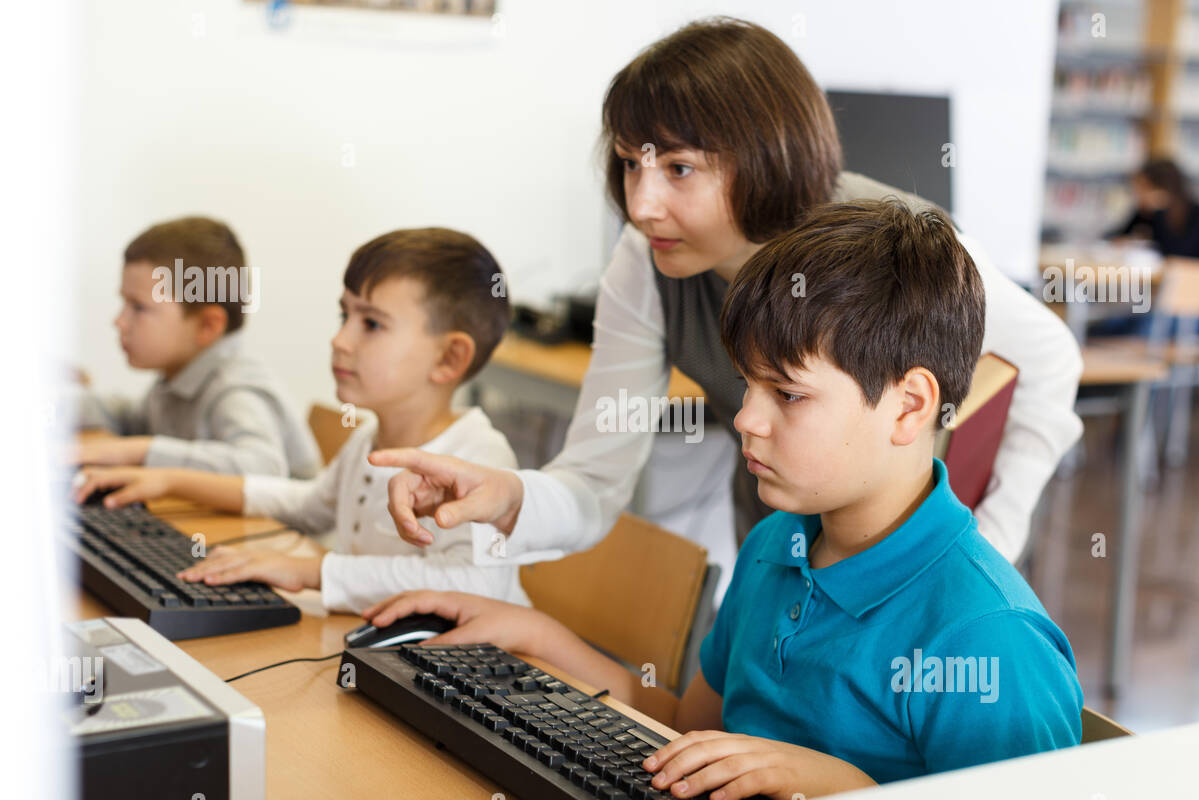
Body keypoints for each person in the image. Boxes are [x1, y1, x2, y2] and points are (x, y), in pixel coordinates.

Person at [361, 200, 1084, 800]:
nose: (746, 419)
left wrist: (843, 793)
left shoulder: (990, 638)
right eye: (748, 386)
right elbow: (684, 735)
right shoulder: (779, 543)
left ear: (909, 406)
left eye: (789, 395)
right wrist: (533, 634)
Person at [374, 17, 1082, 571]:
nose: (642, 204)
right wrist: (505, 494)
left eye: (680, 168)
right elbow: (595, 481)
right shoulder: (644, 261)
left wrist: (997, 532)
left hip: (918, 553)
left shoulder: (890, 242)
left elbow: (1049, 353)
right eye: (628, 165)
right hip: (780, 549)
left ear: (769, 157)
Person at [73, 229, 529, 615]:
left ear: (449, 358)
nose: (340, 339)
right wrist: (170, 481)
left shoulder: (480, 460)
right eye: (343, 314)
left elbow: (473, 587)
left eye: (370, 324)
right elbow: (311, 504)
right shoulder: (370, 438)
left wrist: (310, 570)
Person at [73, 216, 321, 477]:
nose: (119, 321)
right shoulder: (176, 376)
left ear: (207, 326)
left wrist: (141, 451)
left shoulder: (235, 389)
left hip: (274, 521)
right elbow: (128, 417)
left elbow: (263, 465)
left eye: (138, 307)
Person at [1107, 158, 1199, 259]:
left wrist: (1160, 211)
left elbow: (1177, 252)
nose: (1138, 194)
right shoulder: (1145, 212)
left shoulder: (1196, 212)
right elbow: (1116, 236)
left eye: (1143, 188)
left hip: (1194, 274)